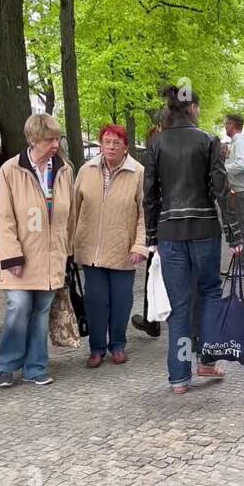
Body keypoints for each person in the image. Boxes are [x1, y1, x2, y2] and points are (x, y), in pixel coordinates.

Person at [144, 85, 243, 395]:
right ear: (192, 108)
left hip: (170, 232)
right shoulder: (207, 141)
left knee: (179, 305)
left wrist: (150, 237)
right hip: (204, 230)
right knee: (210, 293)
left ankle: (179, 377)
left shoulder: (156, 143)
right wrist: (235, 234)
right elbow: (220, 188)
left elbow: (149, 195)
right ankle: (208, 360)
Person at [0, 114, 74, 388]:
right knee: (19, 306)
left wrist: (68, 250)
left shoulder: (64, 169)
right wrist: (12, 255)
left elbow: (69, 215)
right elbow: (3, 218)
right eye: (50, 139)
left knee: (41, 311)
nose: (55, 144)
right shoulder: (10, 170)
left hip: (52, 256)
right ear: (33, 139)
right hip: (21, 255)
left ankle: (35, 366)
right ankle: (6, 364)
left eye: (57, 138)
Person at [71, 124, 147, 369]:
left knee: (121, 300)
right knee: (95, 300)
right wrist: (69, 244)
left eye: (116, 142)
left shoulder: (138, 172)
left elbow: (145, 214)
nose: (111, 146)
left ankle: (117, 345)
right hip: (91, 247)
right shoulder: (86, 170)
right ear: (100, 144)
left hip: (123, 248)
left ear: (125, 146)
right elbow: (73, 210)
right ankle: (96, 348)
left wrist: (140, 245)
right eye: (106, 141)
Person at [131, 120, 164, 339]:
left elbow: (148, 197)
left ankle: (152, 320)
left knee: (154, 273)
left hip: (158, 222)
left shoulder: (150, 160)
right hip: (179, 224)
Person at [223, 114, 244, 277]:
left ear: (233, 125)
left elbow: (241, 166)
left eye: (226, 123)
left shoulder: (240, 142)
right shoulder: (238, 142)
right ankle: (239, 265)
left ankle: (242, 266)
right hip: (241, 188)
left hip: (242, 189)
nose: (224, 126)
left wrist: (224, 167)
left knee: (242, 228)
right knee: (239, 227)